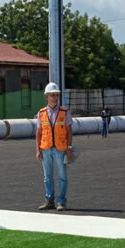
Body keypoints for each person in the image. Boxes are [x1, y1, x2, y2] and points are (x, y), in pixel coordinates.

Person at [35, 82, 74, 211]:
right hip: (45, 148)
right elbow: (38, 133)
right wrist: (38, 150)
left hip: (60, 148)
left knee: (62, 176)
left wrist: (69, 148)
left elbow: (69, 131)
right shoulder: (41, 113)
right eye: (52, 95)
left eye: (56, 95)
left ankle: (61, 201)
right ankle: (49, 200)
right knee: (47, 177)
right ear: (46, 96)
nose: (55, 98)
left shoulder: (64, 112)